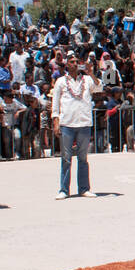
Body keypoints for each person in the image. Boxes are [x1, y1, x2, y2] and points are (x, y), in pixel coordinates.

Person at [51, 52, 98, 199]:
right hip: (67, 123)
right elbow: (55, 102)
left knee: (83, 157)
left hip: (84, 122)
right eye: (72, 61)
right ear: (67, 65)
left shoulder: (87, 79)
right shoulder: (60, 81)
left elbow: (99, 88)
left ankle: (84, 188)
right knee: (66, 158)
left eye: (77, 61)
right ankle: (64, 189)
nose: (75, 64)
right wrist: (56, 120)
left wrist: (92, 73)